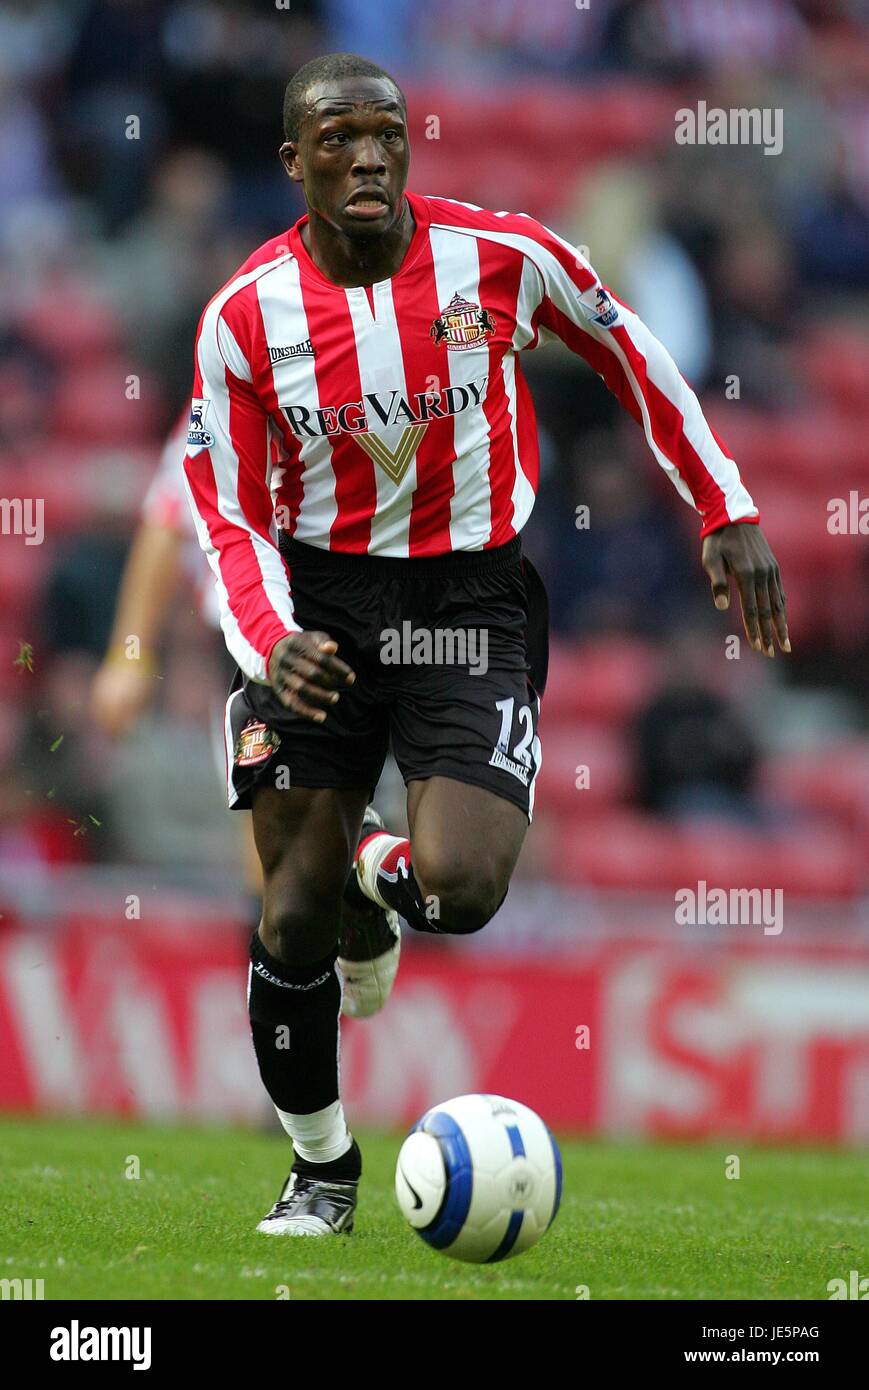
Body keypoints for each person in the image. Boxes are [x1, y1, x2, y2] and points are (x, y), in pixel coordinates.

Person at [182, 52, 790, 1239]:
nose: (368, 156)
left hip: (467, 604)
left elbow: (633, 355)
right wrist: (270, 639)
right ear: (292, 161)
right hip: (315, 608)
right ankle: (320, 1173)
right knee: (291, 915)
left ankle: (378, 873)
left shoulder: (501, 259)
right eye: (338, 137)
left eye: (387, 135)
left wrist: (726, 509)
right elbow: (227, 513)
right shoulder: (243, 319)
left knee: (460, 888)